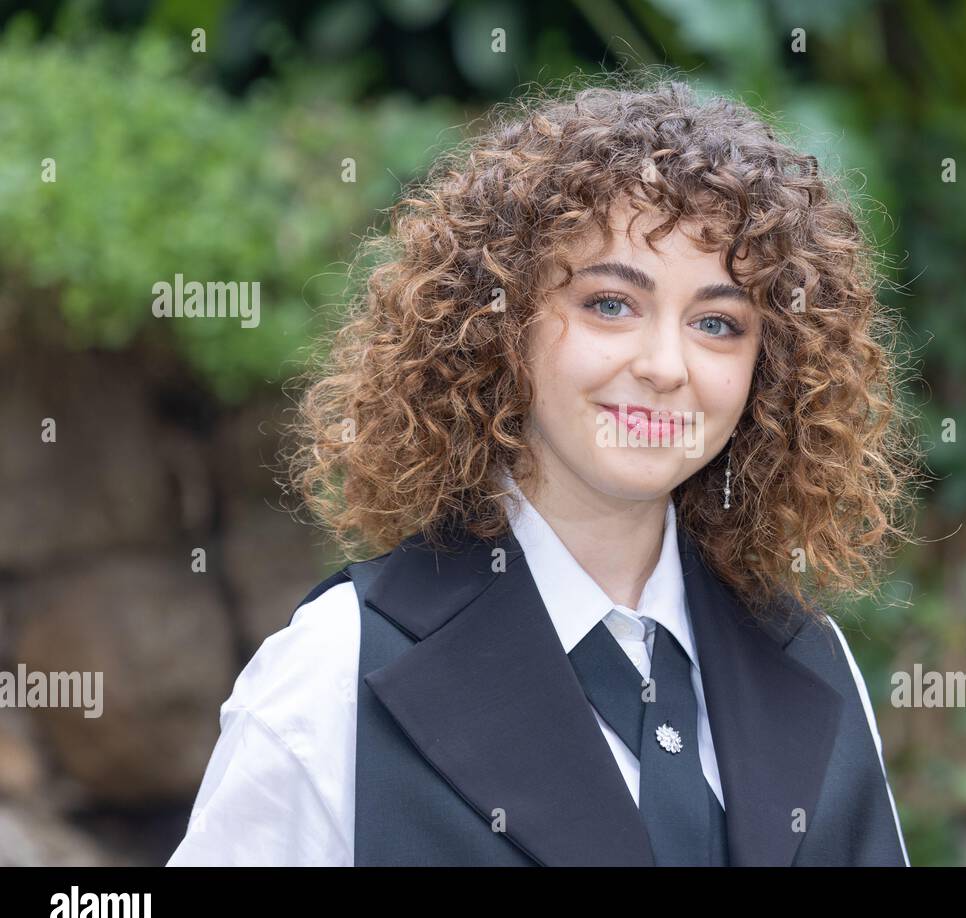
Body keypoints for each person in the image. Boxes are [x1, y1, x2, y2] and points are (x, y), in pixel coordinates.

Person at [168, 75, 916, 867]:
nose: (665, 366)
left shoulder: (809, 663)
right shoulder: (335, 669)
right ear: (503, 323)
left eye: (717, 323)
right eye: (610, 304)